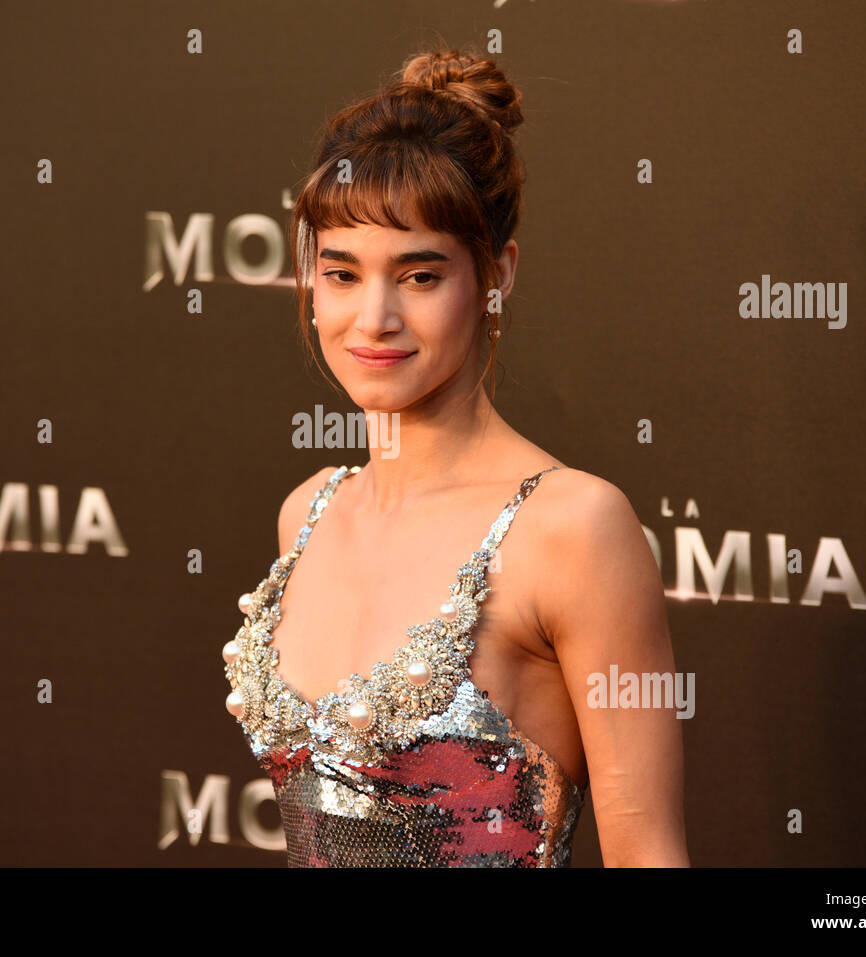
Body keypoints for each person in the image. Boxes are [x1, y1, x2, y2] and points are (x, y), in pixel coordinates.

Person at [222, 48, 688, 867]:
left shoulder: (572, 528)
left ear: (496, 275)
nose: (374, 318)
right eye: (341, 273)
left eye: (420, 275)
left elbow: (648, 852)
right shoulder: (309, 511)